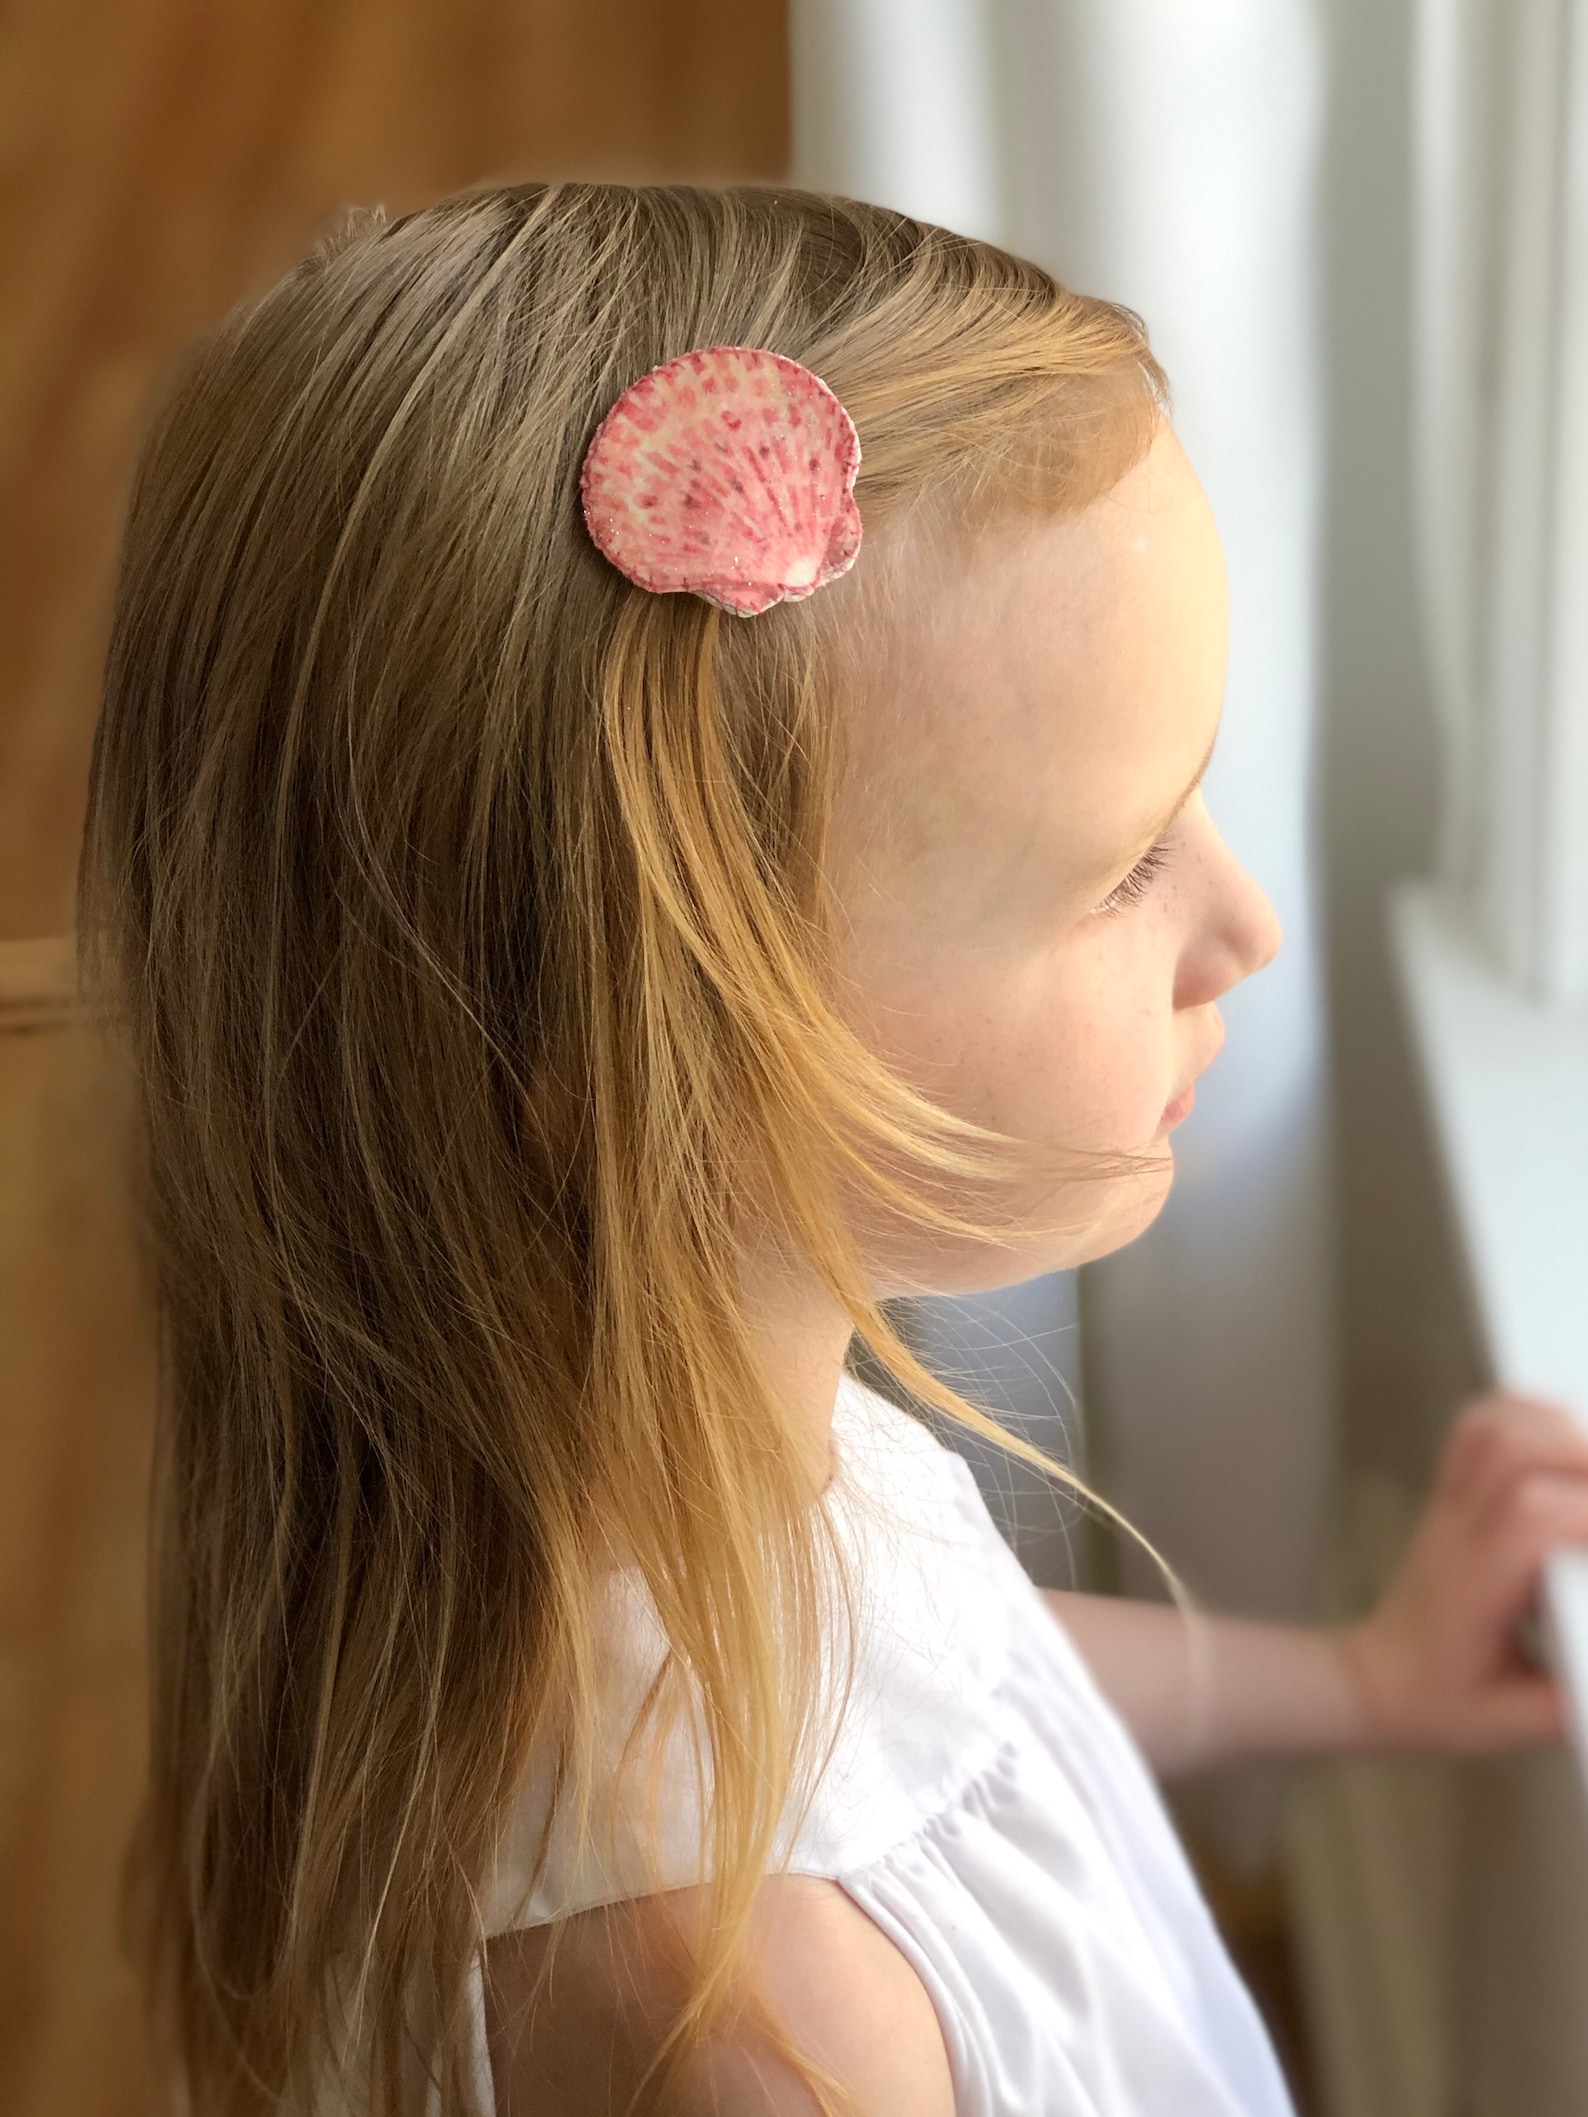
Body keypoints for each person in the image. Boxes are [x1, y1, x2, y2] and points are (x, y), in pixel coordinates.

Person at [77, 181, 1588, 2117]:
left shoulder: (626, 1469)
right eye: (1117, 864)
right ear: (645, 1066)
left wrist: (1356, 1684)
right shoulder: (755, 2029)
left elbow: (943, 1670)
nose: (1238, 926)